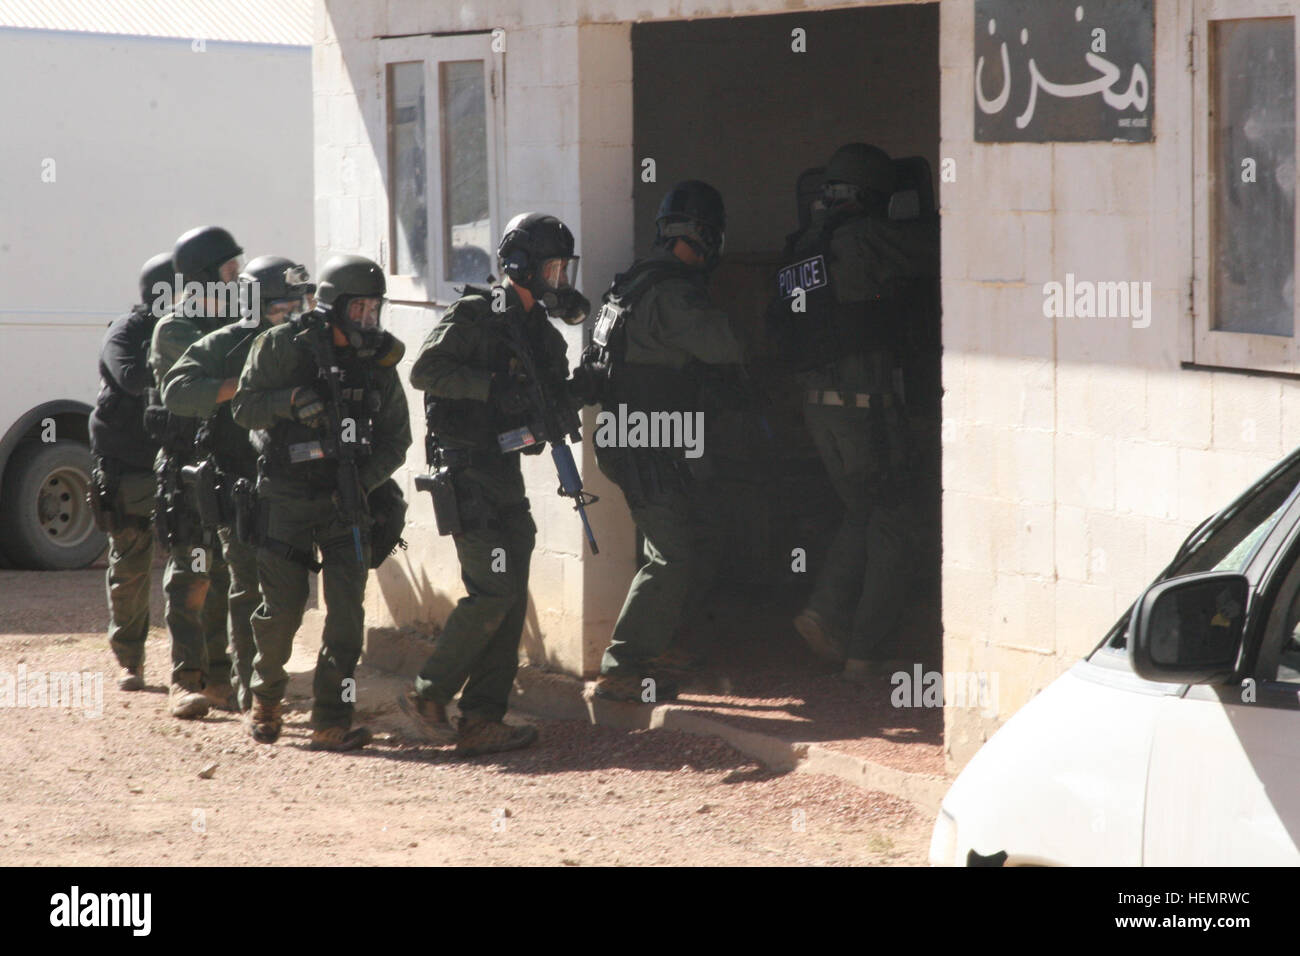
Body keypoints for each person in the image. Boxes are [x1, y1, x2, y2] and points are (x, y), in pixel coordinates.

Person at [397, 212, 587, 756]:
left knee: (509, 593)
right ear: (521, 265)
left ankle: (482, 718)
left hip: (503, 476)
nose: (559, 278)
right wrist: (491, 386)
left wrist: (583, 388)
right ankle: (427, 694)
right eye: (551, 266)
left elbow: (550, 397)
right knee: (494, 591)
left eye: (563, 268)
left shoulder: (539, 333)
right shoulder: (477, 314)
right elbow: (426, 370)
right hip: (468, 473)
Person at [769, 143, 938, 680]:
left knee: (864, 511)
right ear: (869, 197)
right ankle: (866, 651)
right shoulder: (864, 238)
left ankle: (824, 613)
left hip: (821, 411)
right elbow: (944, 248)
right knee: (897, 520)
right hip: (864, 408)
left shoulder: (802, 249)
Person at [231, 254, 410, 751]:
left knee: (348, 617)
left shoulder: (377, 363)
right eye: (359, 310)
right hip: (285, 497)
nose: (369, 321)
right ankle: (266, 696)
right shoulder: (281, 346)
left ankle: (332, 717)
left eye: (375, 309)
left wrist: (363, 484)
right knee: (283, 611)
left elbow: (398, 438)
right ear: (333, 307)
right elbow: (244, 408)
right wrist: (288, 400)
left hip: (347, 504)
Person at [582, 180, 746, 703]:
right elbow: (726, 346)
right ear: (703, 236)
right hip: (647, 440)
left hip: (635, 435)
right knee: (671, 553)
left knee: (687, 536)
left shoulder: (629, 283)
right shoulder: (673, 291)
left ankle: (658, 640)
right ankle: (623, 667)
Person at [160, 256, 315, 712]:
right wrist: (240, 386)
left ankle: (266, 680)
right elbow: (178, 391)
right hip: (239, 484)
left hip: (295, 481)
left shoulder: (308, 342)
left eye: (296, 306)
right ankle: (251, 691)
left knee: (288, 592)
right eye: (280, 309)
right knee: (247, 586)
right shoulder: (224, 343)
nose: (291, 317)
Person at [147, 225, 245, 718]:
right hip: (189, 468)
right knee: (193, 573)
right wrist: (248, 378)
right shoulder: (176, 328)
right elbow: (192, 392)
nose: (240, 277)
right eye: (231, 271)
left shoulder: (240, 320)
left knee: (226, 574)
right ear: (206, 274)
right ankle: (186, 679)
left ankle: (220, 678)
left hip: (231, 463)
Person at [90, 252, 173, 691]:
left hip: (176, 461)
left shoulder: (193, 330)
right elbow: (131, 378)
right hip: (130, 463)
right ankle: (130, 660)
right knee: (132, 564)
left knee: (195, 566)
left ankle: (196, 668)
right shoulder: (127, 330)